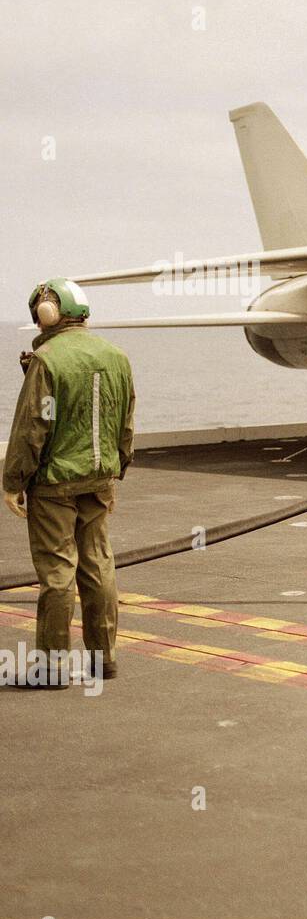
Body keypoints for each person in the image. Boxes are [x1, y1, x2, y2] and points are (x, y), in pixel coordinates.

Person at [3, 278, 135, 687]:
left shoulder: (47, 361)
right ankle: (103, 660)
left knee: (58, 574)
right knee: (98, 567)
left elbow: (33, 428)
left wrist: (12, 481)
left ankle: (52, 668)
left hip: (54, 485)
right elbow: (125, 424)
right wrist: (116, 469)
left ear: (46, 314)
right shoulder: (116, 357)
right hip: (99, 480)